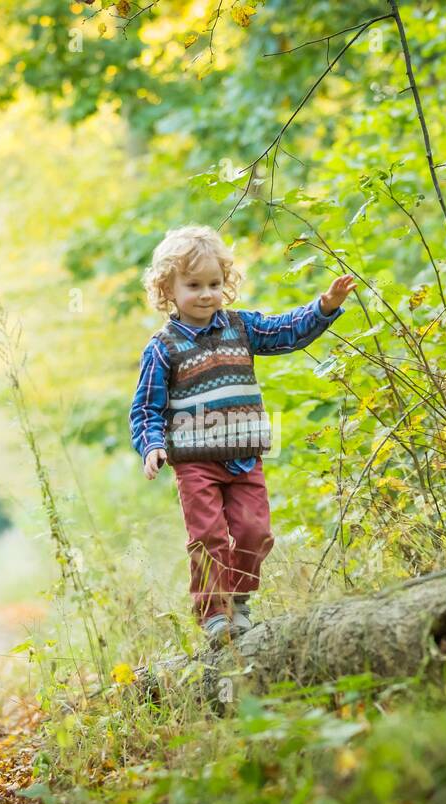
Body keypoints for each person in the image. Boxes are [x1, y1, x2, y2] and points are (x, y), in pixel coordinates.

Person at [129, 223, 357, 643]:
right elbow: (146, 408)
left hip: (244, 457)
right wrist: (152, 446)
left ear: (226, 283)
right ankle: (213, 612)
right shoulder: (164, 347)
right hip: (196, 463)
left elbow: (285, 332)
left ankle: (239, 597)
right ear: (168, 290)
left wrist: (324, 307)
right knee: (209, 535)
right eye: (194, 285)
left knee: (255, 530)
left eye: (214, 283)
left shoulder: (241, 327)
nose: (206, 294)